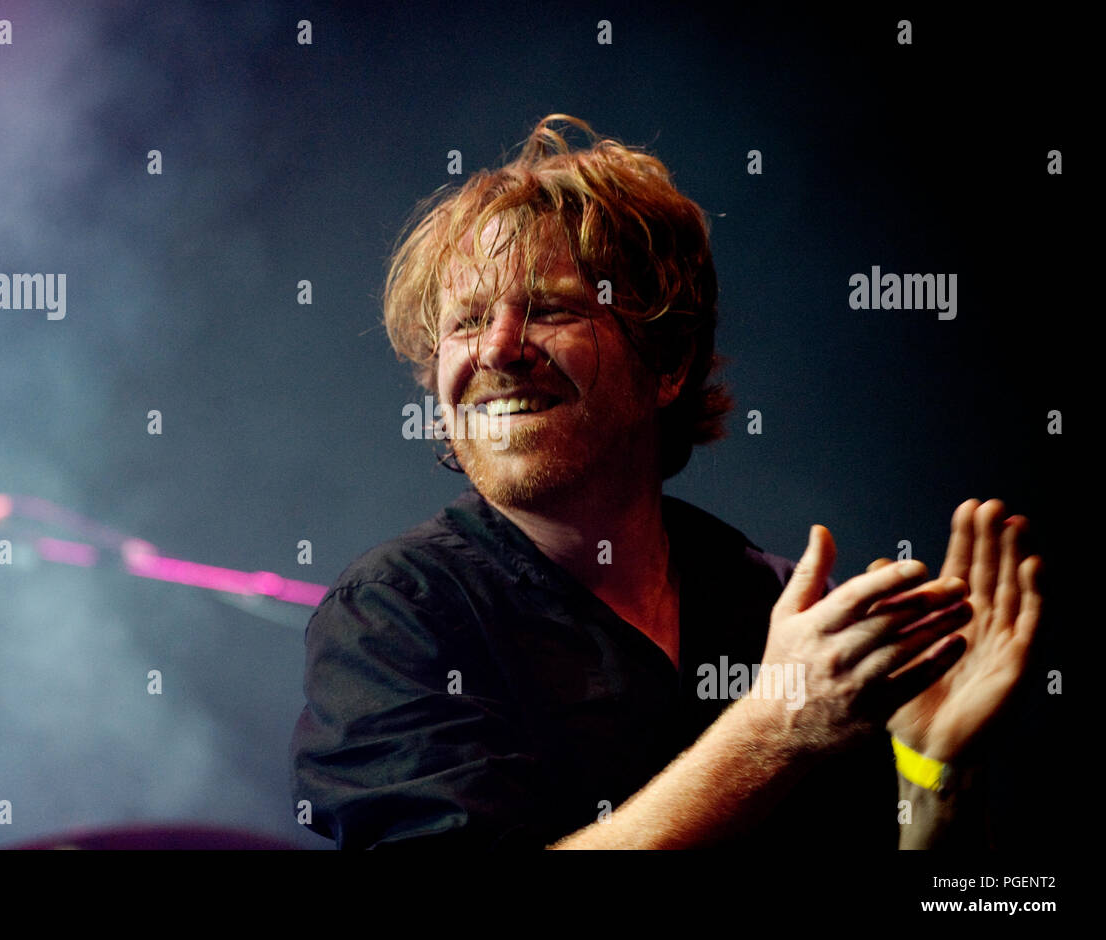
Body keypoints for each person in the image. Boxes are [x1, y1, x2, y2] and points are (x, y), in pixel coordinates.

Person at [290, 114, 1043, 849]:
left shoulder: (781, 609)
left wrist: (933, 769)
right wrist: (777, 725)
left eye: (549, 310)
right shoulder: (393, 616)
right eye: (465, 322)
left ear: (669, 363)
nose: (497, 349)